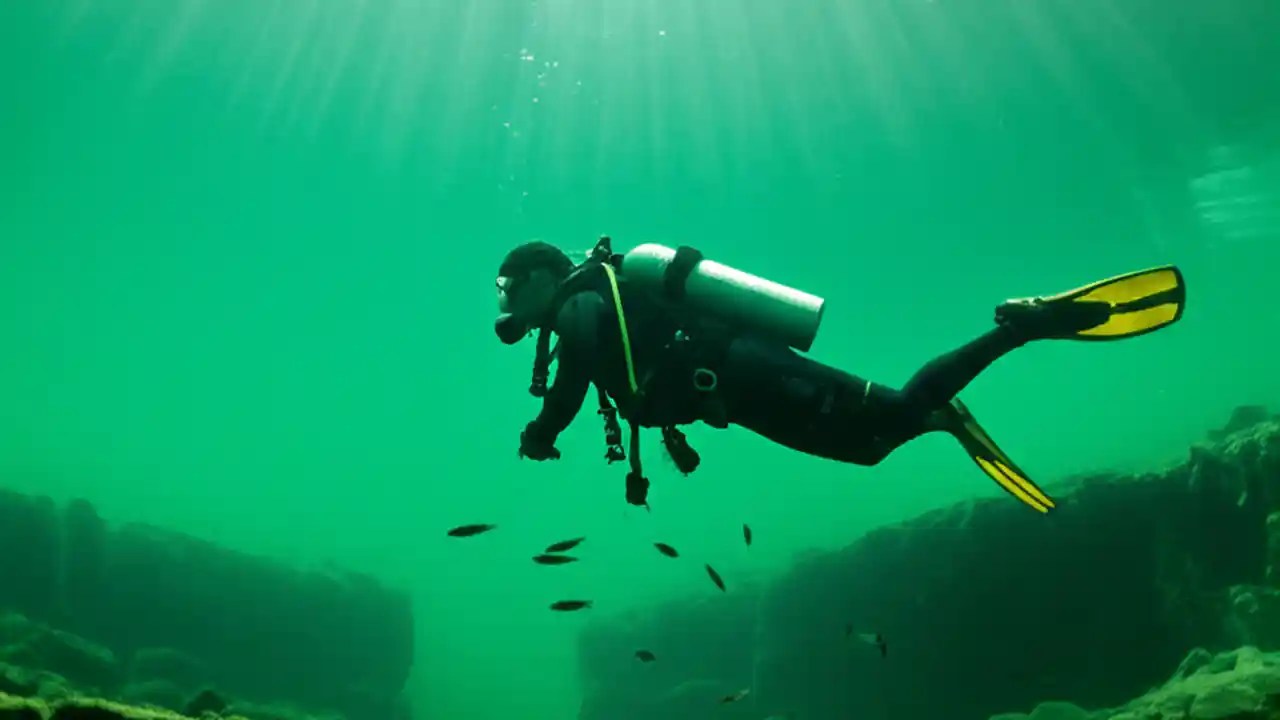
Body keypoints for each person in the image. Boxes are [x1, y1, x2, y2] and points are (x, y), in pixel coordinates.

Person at [494, 236, 1187, 513]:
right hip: (736, 395)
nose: (505, 304)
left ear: (537, 277)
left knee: (883, 422)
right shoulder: (584, 307)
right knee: (867, 447)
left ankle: (1022, 326)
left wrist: (541, 431)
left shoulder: (580, 300)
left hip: (740, 372)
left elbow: (574, 382)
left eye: (507, 287)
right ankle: (937, 412)